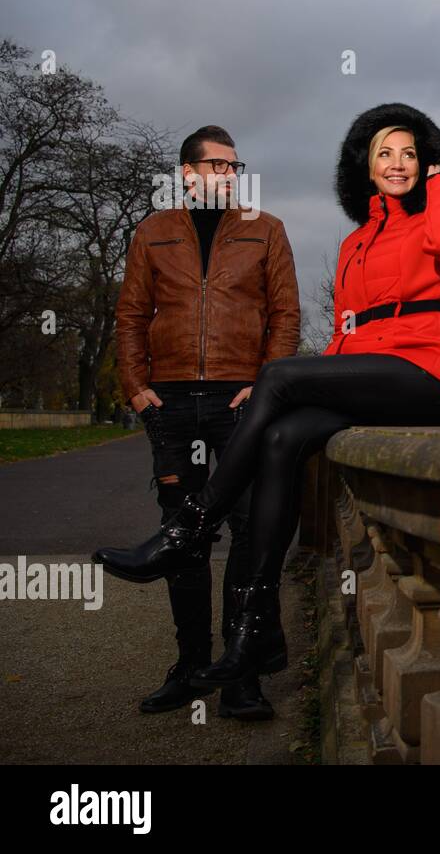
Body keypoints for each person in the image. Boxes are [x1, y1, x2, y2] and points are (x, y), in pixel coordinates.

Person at [94, 103, 440, 695]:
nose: (397, 163)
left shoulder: (432, 213)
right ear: (365, 169)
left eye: (410, 152)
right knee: (283, 436)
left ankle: (189, 529)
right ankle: (251, 635)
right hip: (356, 374)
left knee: (277, 379)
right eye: (384, 154)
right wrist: (137, 384)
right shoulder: (354, 242)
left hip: (427, 366)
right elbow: (346, 331)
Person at [99, 125, 302, 719]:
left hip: (240, 402)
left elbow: (285, 315)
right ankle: (190, 667)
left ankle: (240, 673)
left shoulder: (267, 230)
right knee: (182, 534)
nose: (227, 175)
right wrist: (136, 389)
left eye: (234, 167)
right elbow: (131, 314)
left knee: (247, 531)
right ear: (187, 172)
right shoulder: (153, 232)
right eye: (216, 165)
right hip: (171, 402)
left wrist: (263, 384)